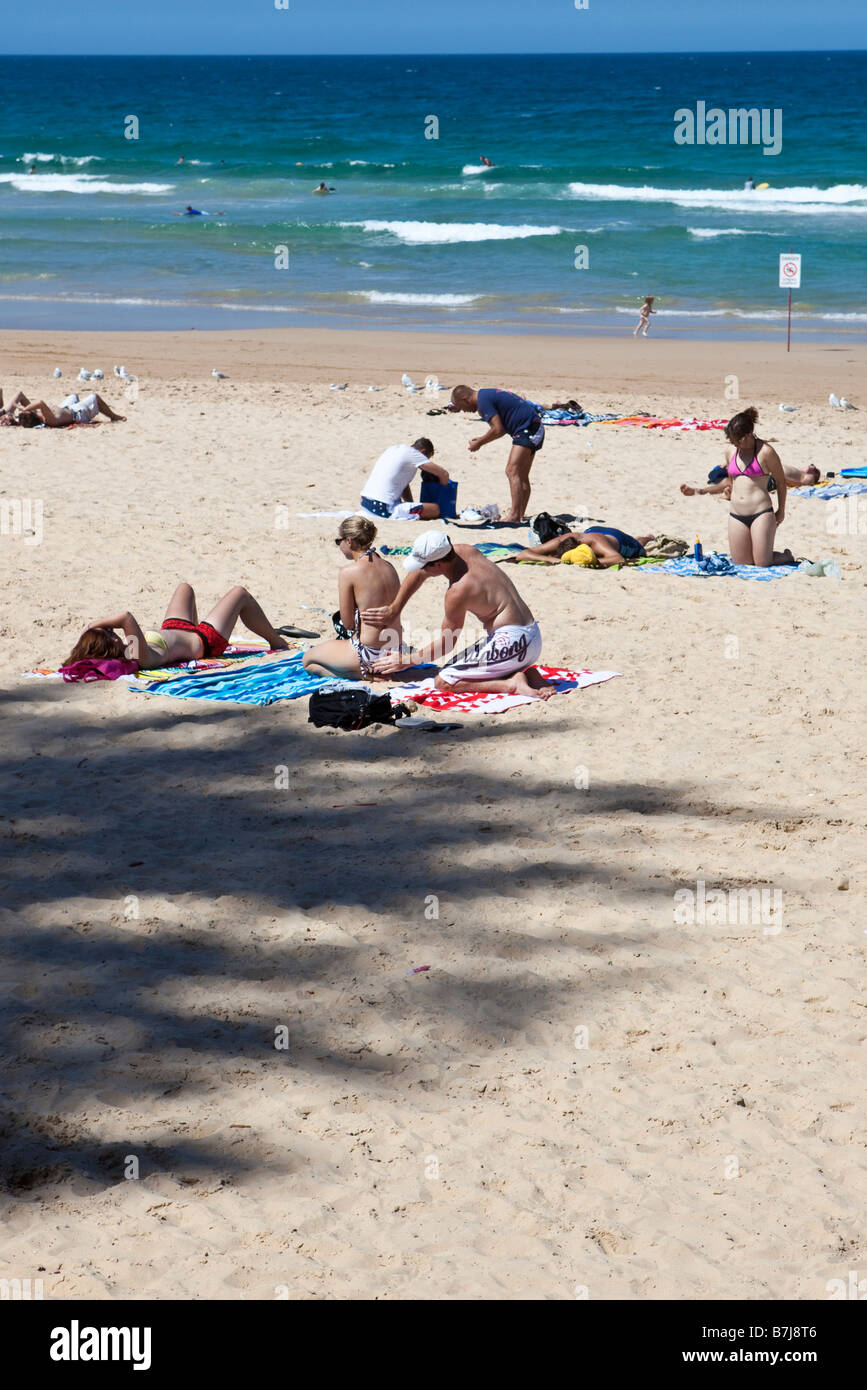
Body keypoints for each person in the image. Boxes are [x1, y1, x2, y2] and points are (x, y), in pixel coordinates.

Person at [368, 530, 555, 700]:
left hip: (515, 643)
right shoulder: (464, 550)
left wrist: (406, 661)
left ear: (438, 564)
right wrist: (395, 608)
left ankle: (511, 684)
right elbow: (419, 573)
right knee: (456, 669)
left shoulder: (458, 591)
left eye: (425, 566)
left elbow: (447, 643)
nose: (422, 570)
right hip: (530, 633)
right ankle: (526, 673)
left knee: (444, 681)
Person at [64, 582, 289, 671]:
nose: (116, 634)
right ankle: (277, 642)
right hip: (204, 641)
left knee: (185, 588)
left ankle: (209, 624)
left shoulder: (131, 649)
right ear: (109, 644)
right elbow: (126, 618)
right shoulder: (136, 655)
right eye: (111, 633)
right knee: (240, 594)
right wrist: (93, 625)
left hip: (179, 627)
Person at [681, 407, 793, 567]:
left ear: (748, 435)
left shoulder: (766, 452)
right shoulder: (730, 451)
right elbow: (729, 482)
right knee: (743, 564)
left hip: (761, 513)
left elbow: (781, 483)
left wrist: (781, 511)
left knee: (762, 563)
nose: (734, 443)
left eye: (736, 440)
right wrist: (699, 491)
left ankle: (786, 556)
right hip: (736, 515)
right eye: (732, 440)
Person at [302, 517, 402, 678]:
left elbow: (348, 624)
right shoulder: (389, 567)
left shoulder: (349, 571)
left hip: (369, 653)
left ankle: (364, 675)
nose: (339, 546)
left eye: (338, 541)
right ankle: (369, 671)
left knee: (308, 661)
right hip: (395, 651)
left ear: (349, 541)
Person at [450, 385, 544, 524]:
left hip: (528, 429)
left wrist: (480, 442)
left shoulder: (483, 402)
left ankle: (514, 515)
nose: (464, 411)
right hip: (533, 427)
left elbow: (498, 429)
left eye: (461, 407)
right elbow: (501, 427)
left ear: (465, 399)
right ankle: (519, 515)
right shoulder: (485, 395)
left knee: (512, 471)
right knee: (521, 475)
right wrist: (481, 439)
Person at [360, 437, 450, 520]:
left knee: (425, 508)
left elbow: (402, 485)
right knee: (435, 509)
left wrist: (411, 503)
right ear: (422, 452)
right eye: (426, 458)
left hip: (365, 501)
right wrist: (445, 493)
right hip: (382, 508)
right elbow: (444, 474)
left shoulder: (393, 449)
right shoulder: (414, 454)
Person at [503, 525, 654, 567]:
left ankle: (647, 537)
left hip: (622, 541)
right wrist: (555, 560)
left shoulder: (595, 543)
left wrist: (592, 561)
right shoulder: (567, 539)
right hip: (595, 531)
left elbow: (618, 559)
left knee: (640, 544)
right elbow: (523, 554)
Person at [2, 388, 124, 427]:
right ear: (32, 415)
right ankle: (114, 417)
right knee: (94, 397)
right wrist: (25, 408)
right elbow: (40, 402)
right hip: (77, 413)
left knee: (73, 396)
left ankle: (77, 400)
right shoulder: (48, 419)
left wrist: (20, 407)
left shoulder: (38, 414)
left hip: (65, 407)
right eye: (29, 412)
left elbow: (23, 398)